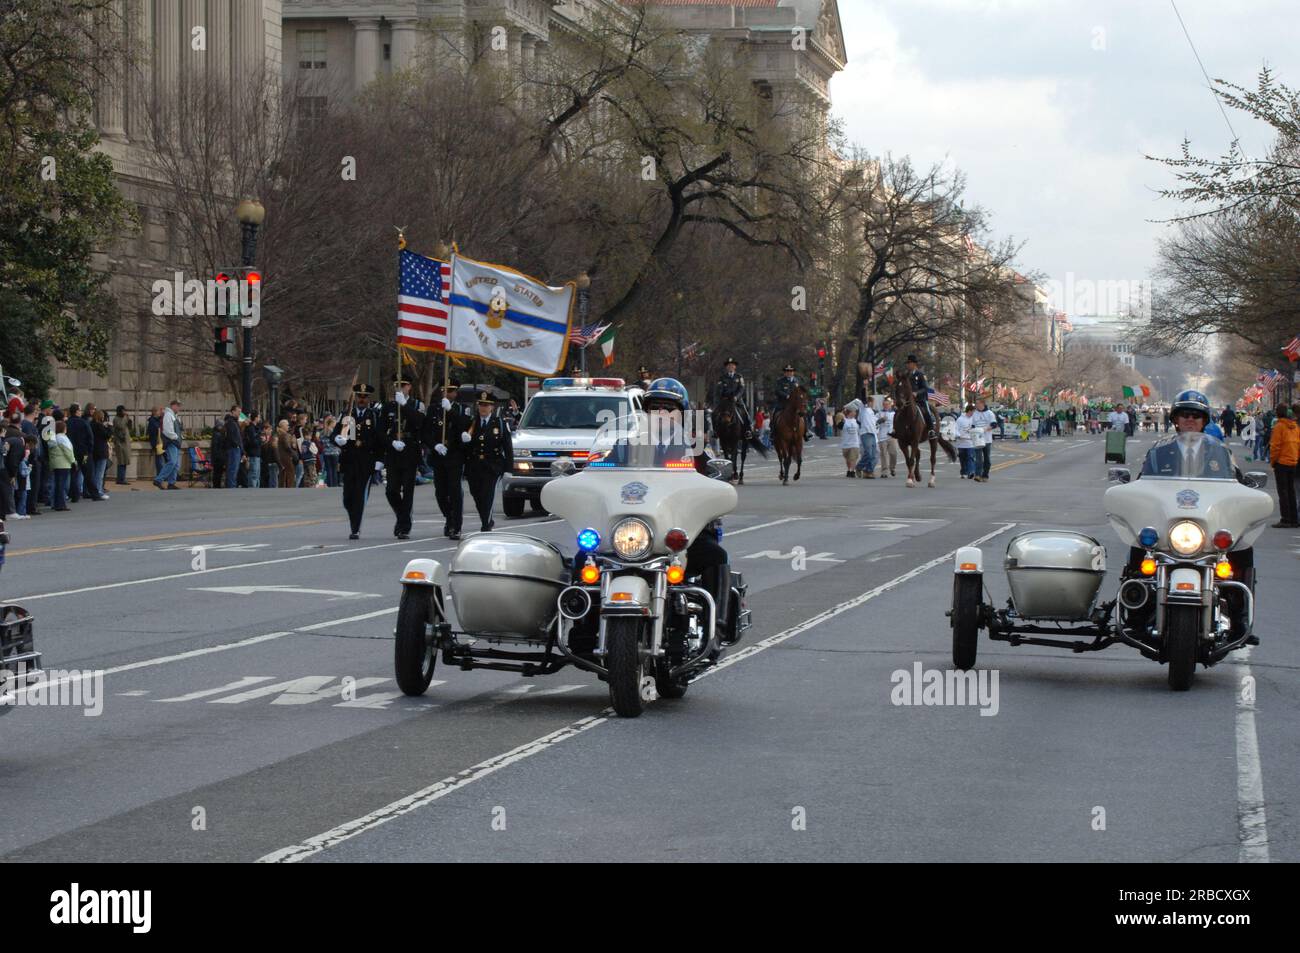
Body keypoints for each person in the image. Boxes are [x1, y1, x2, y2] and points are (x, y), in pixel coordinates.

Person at [642, 377, 732, 632]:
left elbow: (713, 483)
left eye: (668, 408)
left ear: (681, 414)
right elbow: (602, 472)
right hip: (635, 533)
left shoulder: (696, 450)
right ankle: (583, 629)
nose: (661, 414)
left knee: (716, 555)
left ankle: (717, 623)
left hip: (682, 533)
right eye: (654, 408)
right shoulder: (625, 445)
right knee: (587, 557)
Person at [377, 377, 426, 539]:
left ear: (409, 387)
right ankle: (403, 517)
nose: (399, 388)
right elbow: (380, 431)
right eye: (396, 386)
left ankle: (404, 527)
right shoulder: (388, 406)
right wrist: (391, 442)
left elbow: (420, 423)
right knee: (391, 490)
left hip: (410, 450)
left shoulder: (417, 405)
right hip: (393, 451)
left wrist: (404, 406)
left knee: (408, 490)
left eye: (402, 386)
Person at [331, 383, 381, 539]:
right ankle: (354, 518)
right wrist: (337, 439)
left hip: (366, 462)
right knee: (347, 498)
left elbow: (379, 439)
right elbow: (334, 434)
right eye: (359, 396)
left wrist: (380, 459)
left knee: (359, 496)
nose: (362, 399)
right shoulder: (347, 415)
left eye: (365, 397)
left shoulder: (374, 416)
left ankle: (355, 528)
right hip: (349, 461)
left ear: (369, 399)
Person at [422, 377, 469, 540]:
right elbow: (426, 432)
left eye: (451, 391)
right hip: (438, 456)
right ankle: (449, 517)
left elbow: (465, 425)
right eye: (444, 390)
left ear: (456, 392)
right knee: (440, 493)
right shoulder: (434, 409)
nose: (447, 393)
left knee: (455, 491)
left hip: (455, 455)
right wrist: (434, 445)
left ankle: (456, 525)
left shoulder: (462, 409)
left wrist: (450, 411)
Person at [463, 391, 512, 534]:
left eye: (486, 405)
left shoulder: (500, 424)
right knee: (476, 494)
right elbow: (466, 447)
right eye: (481, 405)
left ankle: (486, 524)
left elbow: (508, 447)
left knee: (487, 495)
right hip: (474, 465)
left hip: (493, 466)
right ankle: (486, 518)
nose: (483, 408)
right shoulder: (471, 423)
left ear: (492, 407)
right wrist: (465, 441)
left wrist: (509, 469)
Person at [1269, 404, 1298, 529]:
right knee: (1291, 492)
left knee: (1283, 492)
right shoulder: (1295, 427)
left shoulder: (1279, 427)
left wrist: (1273, 461)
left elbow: (1275, 446)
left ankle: (1285, 519)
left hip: (1281, 462)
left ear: (1277, 413)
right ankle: (1294, 519)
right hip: (1293, 462)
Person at [710, 358, 753, 438]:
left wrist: (736, 397)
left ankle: (748, 430)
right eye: (729, 365)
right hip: (725, 400)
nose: (731, 367)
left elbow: (741, 388)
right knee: (714, 413)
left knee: (746, 411)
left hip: (736, 400)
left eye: (732, 365)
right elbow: (719, 389)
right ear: (727, 367)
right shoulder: (722, 377)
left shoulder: (739, 376)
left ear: (735, 367)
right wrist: (724, 396)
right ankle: (715, 431)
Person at [46, 420, 75, 510]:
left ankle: (54, 503)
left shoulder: (53, 438)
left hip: (55, 463)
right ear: (63, 428)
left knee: (57, 484)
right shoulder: (62, 438)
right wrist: (73, 461)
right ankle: (61, 504)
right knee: (62, 485)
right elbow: (68, 451)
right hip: (63, 463)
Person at [904, 355, 936, 438]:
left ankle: (931, 430)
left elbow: (925, 388)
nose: (907, 365)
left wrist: (916, 393)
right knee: (900, 410)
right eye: (907, 363)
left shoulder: (921, 374)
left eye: (909, 363)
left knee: (927, 412)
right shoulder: (907, 375)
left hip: (920, 399)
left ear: (914, 364)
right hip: (909, 400)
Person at [156, 400, 182, 490]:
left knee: (175, 464)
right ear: (173, 406)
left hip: (175, 442)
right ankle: (159, 480)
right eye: (177, 405)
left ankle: (171, 483)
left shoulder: (173, 415)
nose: (179, 407)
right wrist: (176, 437)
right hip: (172, 442)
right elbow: (167, 431)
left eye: (179, 405)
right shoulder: (169, 415)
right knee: (172, 462)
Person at [974, 398, 998, 481]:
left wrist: (985, 429)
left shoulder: (989, 413)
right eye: (976, 403)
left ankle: (985, 475)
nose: (976, 405)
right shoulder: (975, 413)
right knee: (978, 458)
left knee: (987, 458)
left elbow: (994, 424)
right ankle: (977, 475)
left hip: (987, 439)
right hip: (977, 439)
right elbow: (973, 425)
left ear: (982, 404)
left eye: (977, 403)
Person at [90, 408, 112, 498]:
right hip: (101, 451)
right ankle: (98, 491)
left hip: (93, 450)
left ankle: (94, 491)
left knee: (94, 472)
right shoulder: (99, 426)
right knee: (100, 474)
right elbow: (107, 435)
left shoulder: (91, 424)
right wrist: (110, 427)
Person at [855, 398, 878, 478]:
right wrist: (864, 387)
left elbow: (875, 421)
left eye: (872, 402)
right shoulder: (863, 409)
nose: (871, 404)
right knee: (868, 454)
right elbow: (861, 400)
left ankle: (868, 471)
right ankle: (859, 467)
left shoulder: (872, 412)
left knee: (873, 455)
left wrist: (881, 420)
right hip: (865, 433)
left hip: (873, 434)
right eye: (870, 402)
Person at [221, 406, 243, 488]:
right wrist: (237, 444)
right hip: (233, 448)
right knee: (233, 469)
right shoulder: (231, 422)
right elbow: (232, 437)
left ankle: (232, 485)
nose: (239, 414)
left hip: (235, 448)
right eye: (238, 411)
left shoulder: (234, 422)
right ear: (233, 412)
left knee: (234, 469)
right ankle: (231, 486)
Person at [877, 396, 898, 478]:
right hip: (882, 436)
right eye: (884, 404)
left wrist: (895, 429)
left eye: (887, 404)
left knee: (893, 453)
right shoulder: (879, 413)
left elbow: (897, 423)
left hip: (891, 436)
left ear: (890, 405)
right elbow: (874, 422)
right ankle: (884, 471)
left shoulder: (894, 413)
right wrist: (881, 420)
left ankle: (892, 468)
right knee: (883, 454)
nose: (886, 406)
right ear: (883, 405)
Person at [111, 406, 133, 485]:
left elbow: (129, 427)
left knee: (125, 461)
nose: (124, 412)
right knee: (121, 461)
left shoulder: (125, 418)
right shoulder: (116, 419)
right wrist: (125, 418)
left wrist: (129, 420)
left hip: (126, 442)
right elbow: (120, 427)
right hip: (120, 443)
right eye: (123, 411)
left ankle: (122, 477)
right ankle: (120, 478)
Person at [955, 403, 977, 479]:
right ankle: (963, 472)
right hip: (961, 443)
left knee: (970, 457)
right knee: (963, 459)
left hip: (971, 443)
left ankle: (971, 472)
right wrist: (959, 435)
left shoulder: (974, 420)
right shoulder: (960, 419)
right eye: (973, 411)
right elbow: (956, 429)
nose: (974, 413)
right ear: (969, 411)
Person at [840, 406, 861, 477]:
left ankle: (852, 471)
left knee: (853, 458)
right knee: (848, 459)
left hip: (854, 443)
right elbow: (839, 427)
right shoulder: (844, 421)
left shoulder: (856, 421)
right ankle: (849, 469)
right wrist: (841, 421)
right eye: (854, 412)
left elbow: (861, 428)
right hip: (846, 443)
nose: (855, 413)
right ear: (850, 413)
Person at [243, 412, 263, 488]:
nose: (260, 419)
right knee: (253, 473)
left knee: (257, 474)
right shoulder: (251, 428)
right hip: (253, 453)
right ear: (255, 418)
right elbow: (253, 441)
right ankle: (252, 490)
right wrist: (260, 440)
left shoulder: (255, 428)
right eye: (259, 417)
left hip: (257, 453)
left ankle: (256, 489)